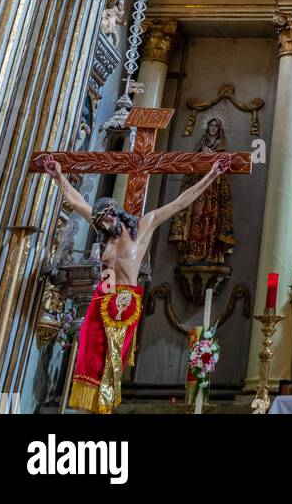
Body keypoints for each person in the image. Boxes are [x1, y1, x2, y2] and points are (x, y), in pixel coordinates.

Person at [37, 154, 232, 413]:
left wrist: (212, 175)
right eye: (100, 222)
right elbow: (77, 202)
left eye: (107, 218)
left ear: (115, 212)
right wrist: (59, 176)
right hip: (101, 296)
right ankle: (86, 410)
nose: (104, 225)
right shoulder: (104, 232)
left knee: (112, 361)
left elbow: (179, 203)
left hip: (125, 303)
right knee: (89, 356)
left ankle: (103, 409)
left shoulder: (143, 226)